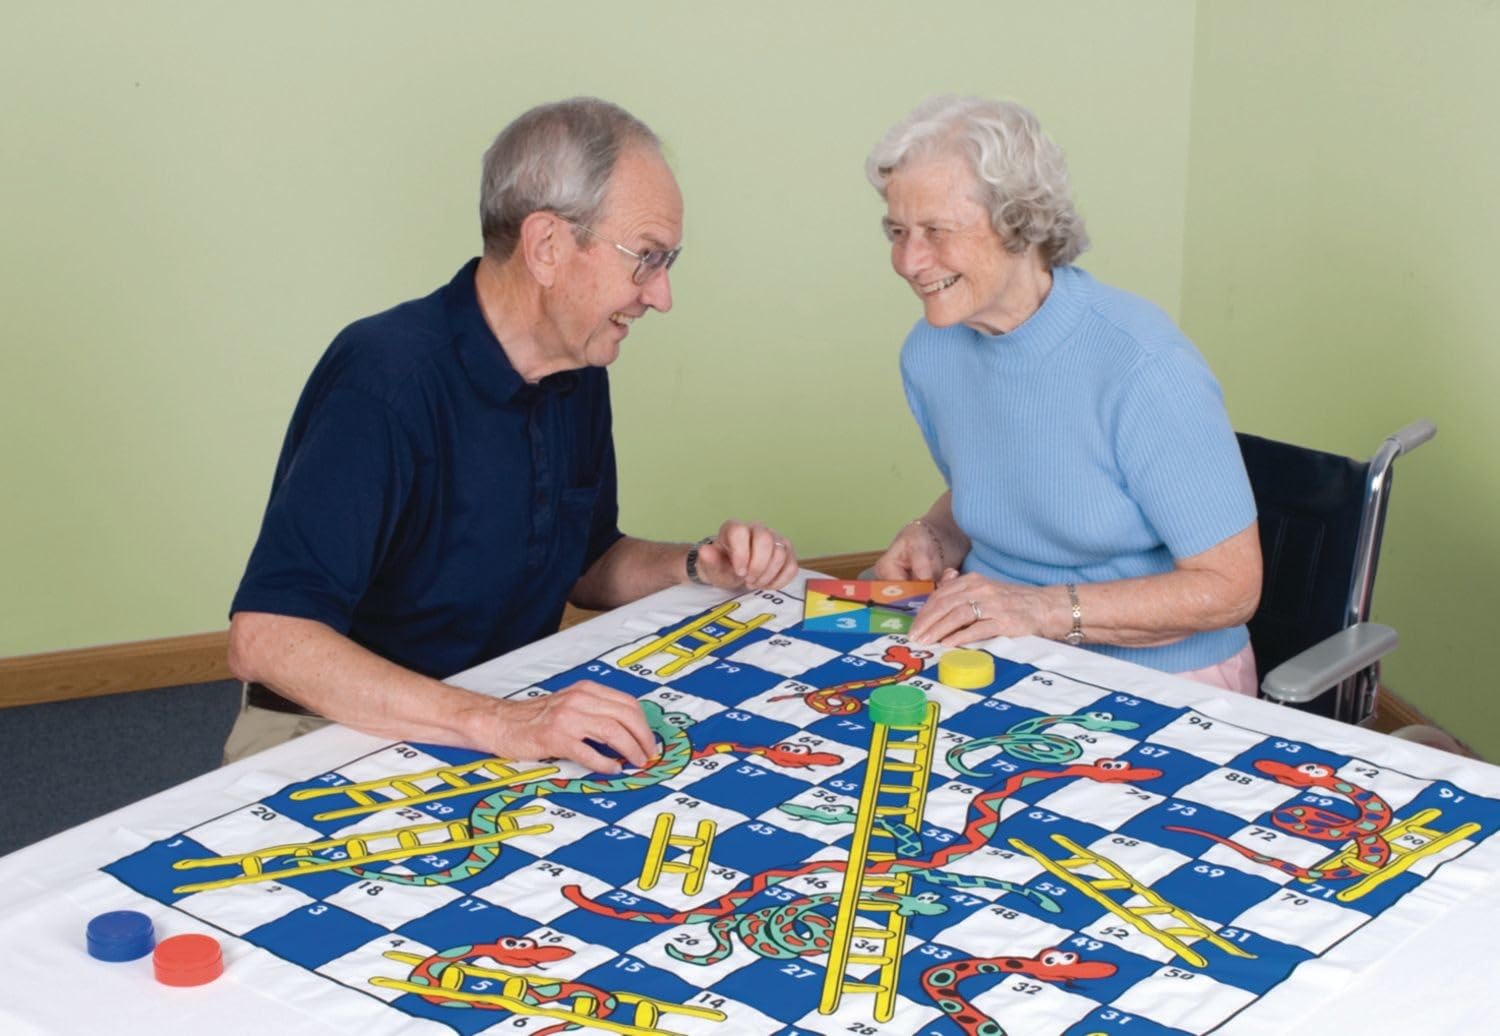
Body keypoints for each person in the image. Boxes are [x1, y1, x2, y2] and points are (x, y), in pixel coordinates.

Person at [226, 98, 799, 769]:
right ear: (548, 246)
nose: (662, 295)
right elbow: (267, 638)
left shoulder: (575, 364)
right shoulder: (385, 381)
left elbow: (584, 561)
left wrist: (699, 564)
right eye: (645, 258)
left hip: (495, 711)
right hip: (335, 730)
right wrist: (499, 723)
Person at [866, 95, 1262, 693]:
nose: (909, 261)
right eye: (898, 231)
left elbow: (1231, 587)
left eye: (936, 232)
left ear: (1017, 225)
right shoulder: (930, 351)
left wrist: (1042, 610)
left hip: (1163, 678)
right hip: (998, 650)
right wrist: (937, 533)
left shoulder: (1145, 367)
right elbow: (999, 484)